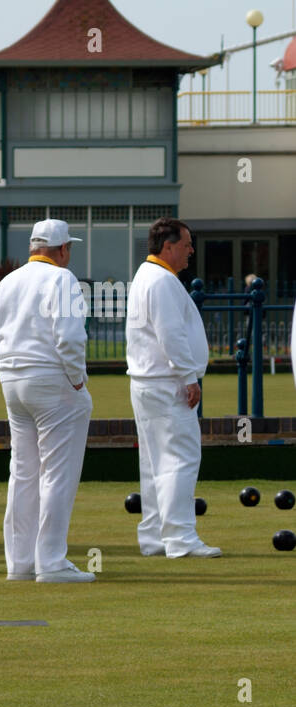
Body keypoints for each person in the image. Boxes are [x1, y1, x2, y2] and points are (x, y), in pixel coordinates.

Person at [0, 219, 93, 583]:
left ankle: (20, 563)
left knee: (24, 473)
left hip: (14, 383)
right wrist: (76, 379)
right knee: (57, 474)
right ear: (62, 249)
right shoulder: (63, 279)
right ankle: (51, 562)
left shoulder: (8, 281)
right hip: (52, 380)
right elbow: (71, 339)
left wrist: (12, 368)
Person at [126, 217, 218, 558]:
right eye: (186, 244)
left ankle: (154, 536)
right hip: (166, 383)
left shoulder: (146, 276)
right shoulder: (162, 281)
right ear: (167, 247)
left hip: (149, 382)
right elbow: (171, 334)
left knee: (153, 463)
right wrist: (188, 377)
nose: (190, 251)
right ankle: (180, 538)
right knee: (180, 458)